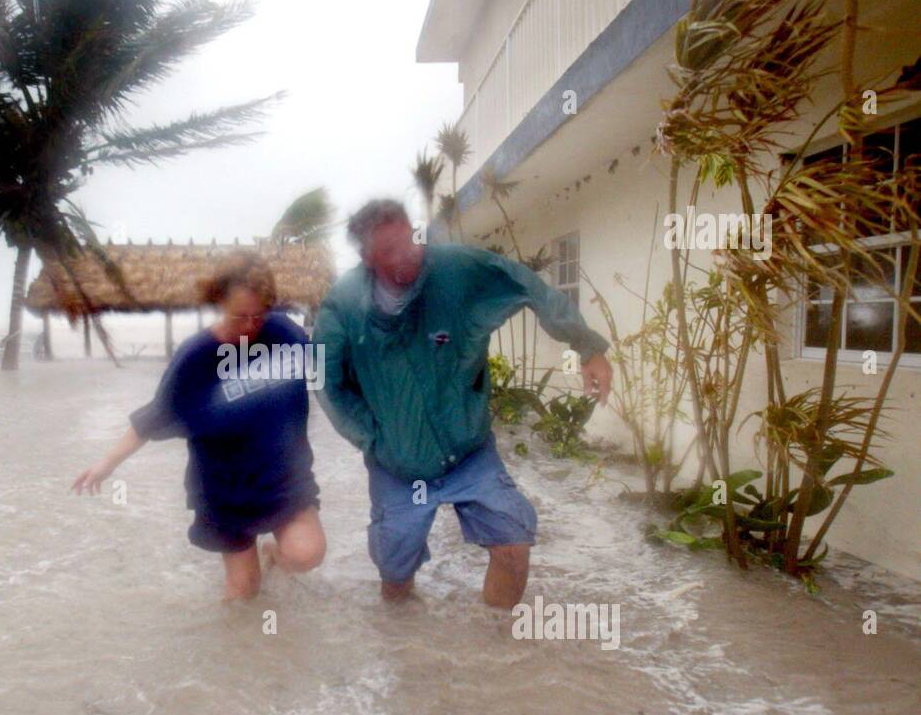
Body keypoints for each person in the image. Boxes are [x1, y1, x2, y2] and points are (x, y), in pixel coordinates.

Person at [313, 199, 613, 606]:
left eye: (410, 241)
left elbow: (527, 285)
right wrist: (373, 437)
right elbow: (324, 381)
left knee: (513, 549)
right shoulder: (343, 305)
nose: (408, 256)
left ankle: (492, 658)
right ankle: (410, 659)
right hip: (398, 468)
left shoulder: (457, 270)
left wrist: (587, 346)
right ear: (367, 258)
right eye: (390, 251)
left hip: (470, 453)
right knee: (397, 583)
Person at [72, 252, 326, 600]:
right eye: (241, 316)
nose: (252, 324)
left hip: (282, 478)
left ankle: (273, 556)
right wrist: (106, 464)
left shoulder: (284, 333)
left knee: (307, 554)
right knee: (243, 593)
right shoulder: (196, 357)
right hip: (224, 488)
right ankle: (233, 652)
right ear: (219, 301)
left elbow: (332, 369)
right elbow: (154, 416)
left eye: (259, 314)